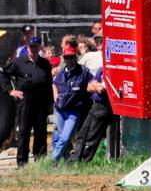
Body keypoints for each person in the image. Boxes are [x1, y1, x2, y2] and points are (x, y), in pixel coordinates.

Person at [6, 35, 52, 167]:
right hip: (25, 101)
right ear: (27, 47)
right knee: (24, 132)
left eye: (35, 47)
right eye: (31, 47)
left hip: (41, 102)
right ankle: (22, 162)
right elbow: (4, 74)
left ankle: (40, 160)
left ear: (39, 48)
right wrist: (10, 91)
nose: (33, 49)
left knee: (40, 132)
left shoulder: (45, 64)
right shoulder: (19, 62)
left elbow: (49, 84)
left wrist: (50, 104)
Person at [51, 46, 92, 162]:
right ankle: (65, 161)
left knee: (66, 137)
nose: (69, 60)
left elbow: (92, 82)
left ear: (76, 58)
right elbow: (54, 83)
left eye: (71, 57)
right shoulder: (61, 72)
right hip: (59, 110)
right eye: (66, 58)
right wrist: (55, 97)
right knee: (60, 136)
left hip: (73, 111)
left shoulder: (83, 71)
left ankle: (53, 159)